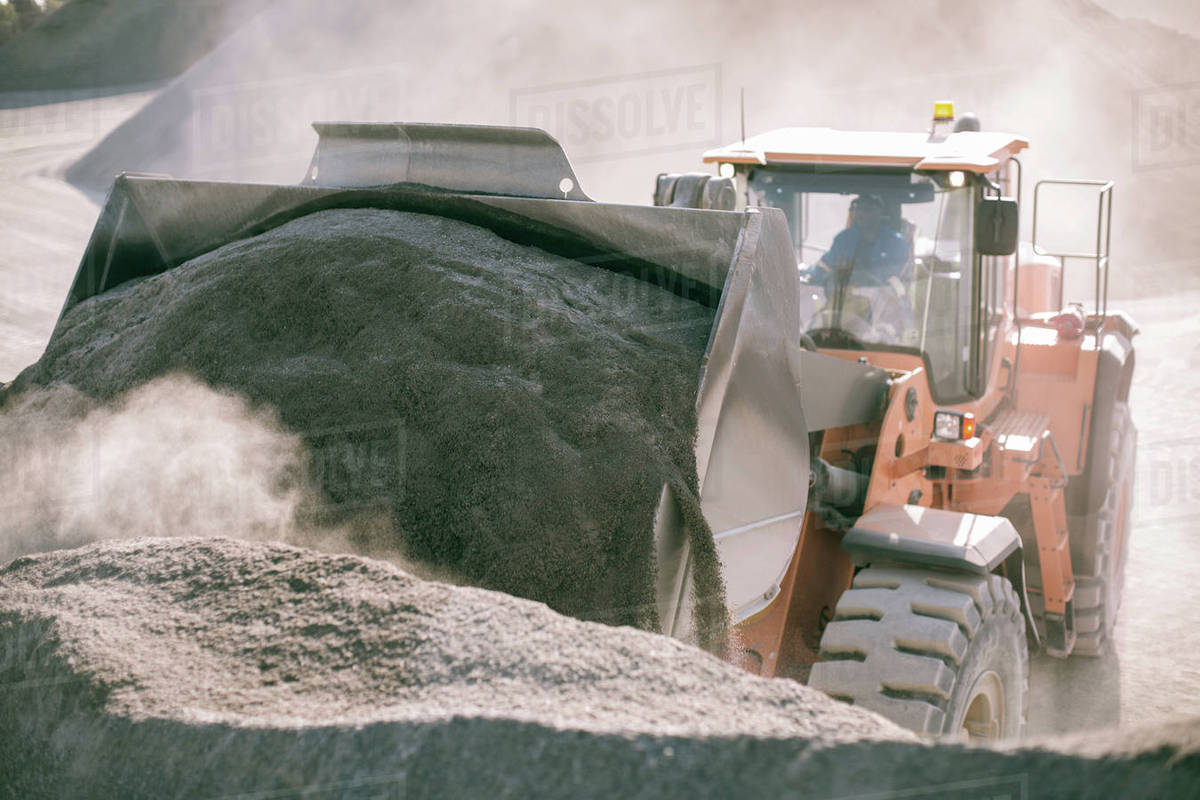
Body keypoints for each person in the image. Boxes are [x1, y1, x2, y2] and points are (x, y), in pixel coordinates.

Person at [803, 194, 910, 290]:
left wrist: (866, 278)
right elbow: (825, 265)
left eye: (867, 209)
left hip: (883, 299)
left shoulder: (896, 243)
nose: (861, 213)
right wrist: (809, 277)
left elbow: (898, 277)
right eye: (858, 209)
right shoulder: (843, 239)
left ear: (879, 212)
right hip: (844, 299)